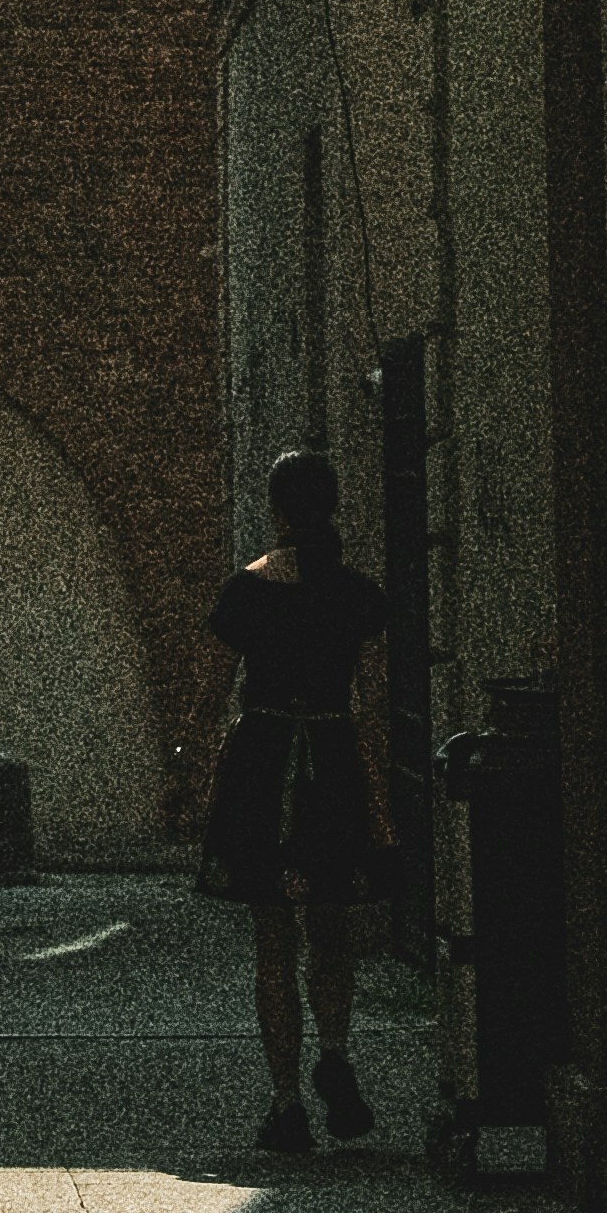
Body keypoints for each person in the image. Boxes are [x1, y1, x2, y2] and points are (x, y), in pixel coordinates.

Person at [192, 449, 394, 1155]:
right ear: (332, 506)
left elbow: (214, 689)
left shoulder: (246, 591)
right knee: (330, 923)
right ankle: (334, 1049)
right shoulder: (358, 593)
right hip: (331, 756)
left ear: (277, 511)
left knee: (273, 937)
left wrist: (194, 768)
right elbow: (372, 705)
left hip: (267, 758)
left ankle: (286, 1103)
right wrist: (377, 797)